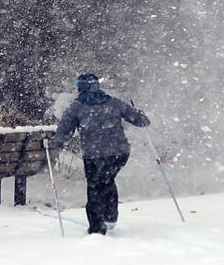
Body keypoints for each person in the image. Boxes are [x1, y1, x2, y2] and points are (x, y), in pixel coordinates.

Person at [46, 72, 152, 235]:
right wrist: (141, 115)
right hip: (120, 153)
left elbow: (63, 134)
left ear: (81, 88)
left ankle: (97, 228)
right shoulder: (114, 103)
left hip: (94, 156)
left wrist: (51, 144)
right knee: (107, 180)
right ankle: (110, 216)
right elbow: (141, 121)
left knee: (96, 187)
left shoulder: (75, 108)